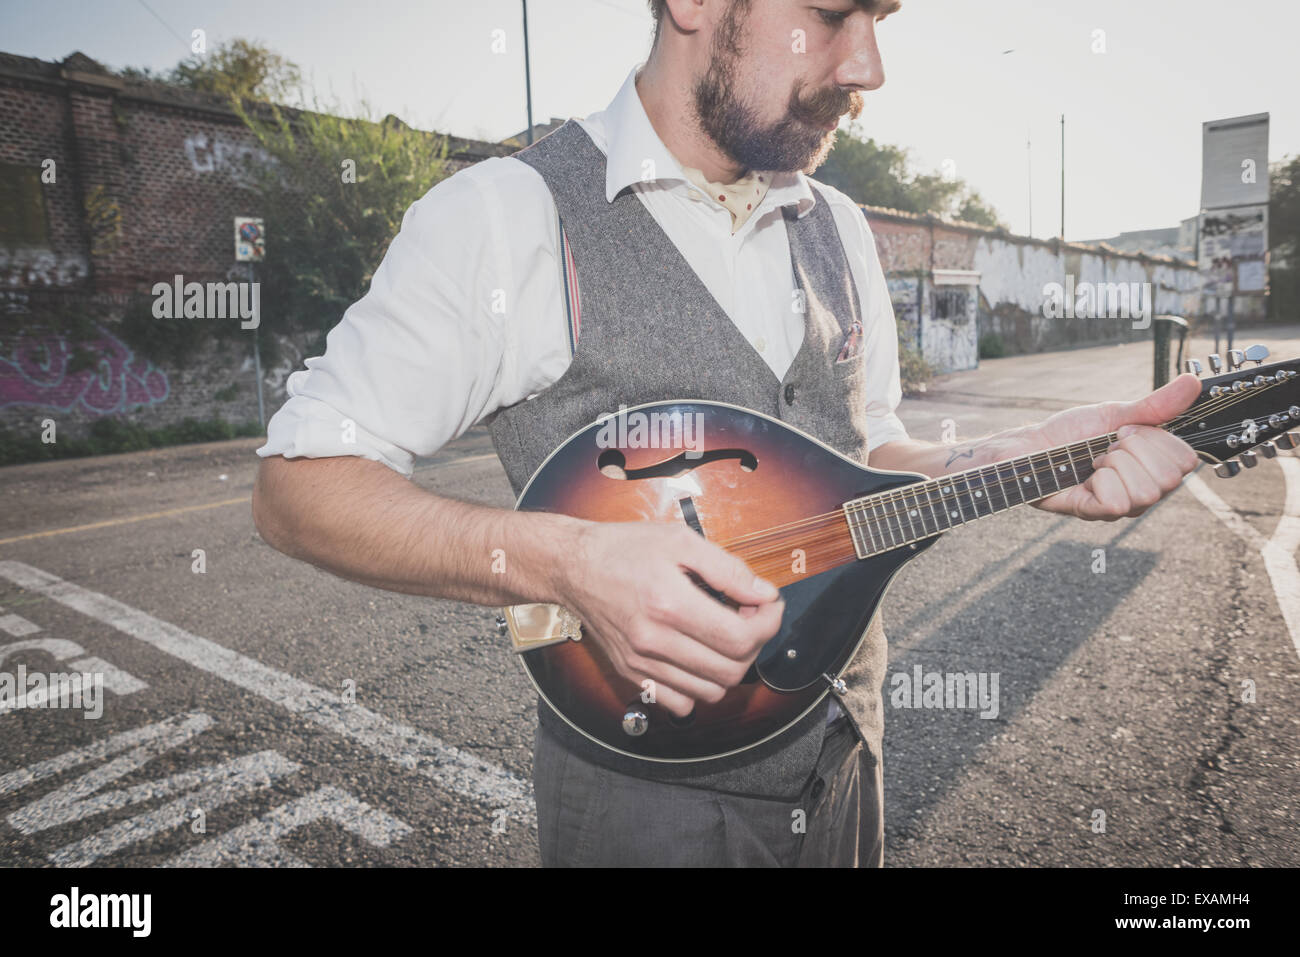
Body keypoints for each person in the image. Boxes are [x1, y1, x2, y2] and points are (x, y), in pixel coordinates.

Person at [252, 0, 1201, 866]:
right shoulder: (506, 217)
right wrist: (567, 561)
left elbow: (864, 453)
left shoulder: (839, 224)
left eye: (881, 18)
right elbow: (301, 486)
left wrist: (1017, 458)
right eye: (832, 15)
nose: (868, 66)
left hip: (847, 754)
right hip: (646, 810)